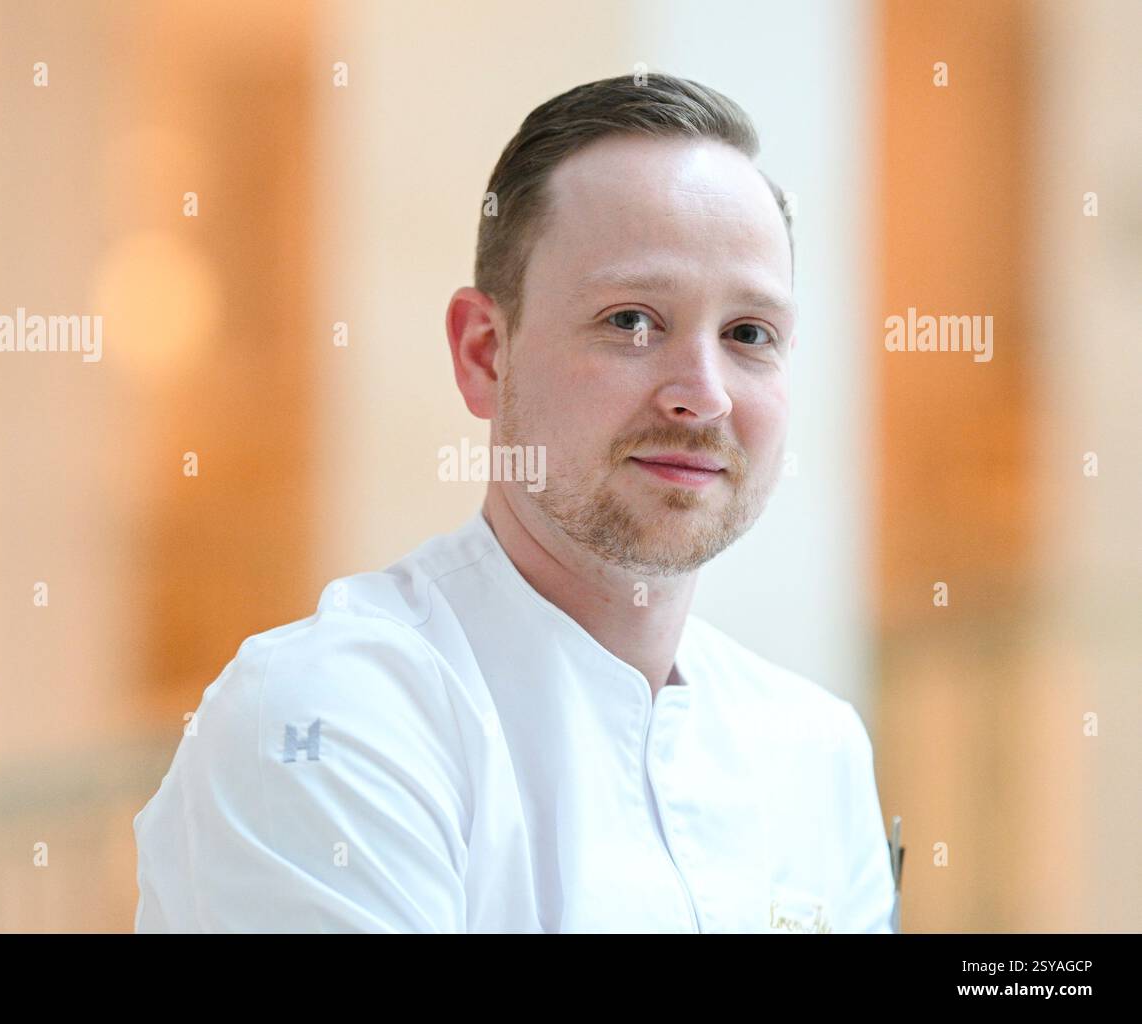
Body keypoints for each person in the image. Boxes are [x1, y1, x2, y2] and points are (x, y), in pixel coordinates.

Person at [132, 72, 896, 933]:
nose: (704, 395)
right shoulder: (326, 720)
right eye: (632, 321)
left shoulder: (815, 751)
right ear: (485, 354)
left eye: (749, 335)